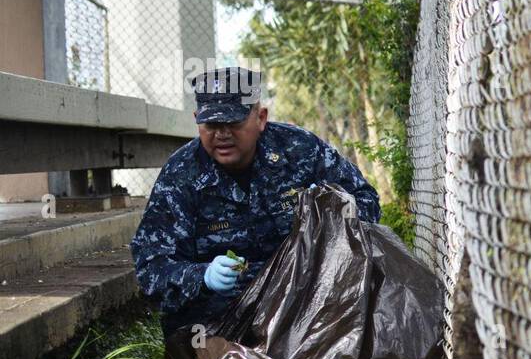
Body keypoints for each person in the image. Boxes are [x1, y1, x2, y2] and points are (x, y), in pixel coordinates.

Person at [131, 67, 380, 338]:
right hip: (217, 324)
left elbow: (367, 204)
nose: (222, 134)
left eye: (234, 122)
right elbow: (150, 266)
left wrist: (329, 210)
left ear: (260, 118)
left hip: (303, 306)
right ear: (197, 121)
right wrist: (201, 276)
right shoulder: (181, 175)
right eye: (212, 125)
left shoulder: (299, 151)